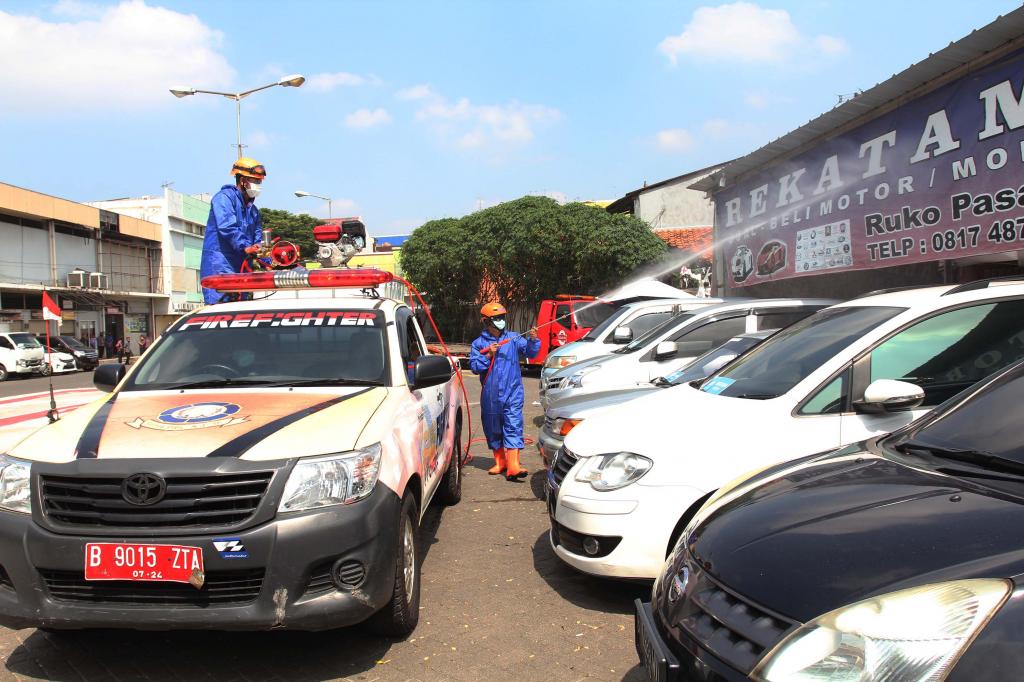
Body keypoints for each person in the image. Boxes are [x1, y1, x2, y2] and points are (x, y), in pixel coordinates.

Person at [469, 302, 540, 481]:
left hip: (513, 391)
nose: (501, 321)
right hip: (490, 394)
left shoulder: (514, 338)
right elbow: (475, 367)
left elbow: (531, 353)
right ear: (486, 322)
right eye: (496, 319)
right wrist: (488, 355)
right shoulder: (478, 344)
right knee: (493, 426)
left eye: (502, 318)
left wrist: (533, 340)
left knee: (513, 423)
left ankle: (514, 465)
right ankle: (500, 462)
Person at [200, 157, 266, 304]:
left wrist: (269, 258)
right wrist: (245, 247)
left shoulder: (253, 211)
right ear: (242, 180)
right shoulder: (223, 198)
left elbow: (258, 241)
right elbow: (227, 227)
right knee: (219, 313)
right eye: (255, 181)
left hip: (242, 271)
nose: (258, 186)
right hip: (220, 266)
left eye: (259, 182)